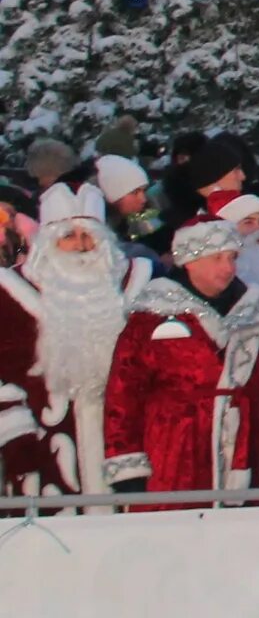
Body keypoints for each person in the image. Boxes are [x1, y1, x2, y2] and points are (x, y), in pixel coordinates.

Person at [104, 216, 259, 496]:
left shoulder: (257, 318)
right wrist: (127, 467)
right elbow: (123, 396)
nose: (228, 268)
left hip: (245, 466)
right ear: (190, 261)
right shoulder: (151, 319)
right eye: (217, 258)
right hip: (171, 464)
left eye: (232, 258)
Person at [0, 185, 151, 494]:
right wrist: (19, 448)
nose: (82, 247)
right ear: (49, 242)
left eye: (89, 236)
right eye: (69, 237)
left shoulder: (138, 283)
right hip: (47, 457)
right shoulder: (12, 293)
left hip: (130, 455)